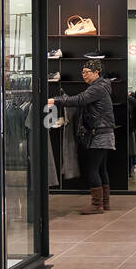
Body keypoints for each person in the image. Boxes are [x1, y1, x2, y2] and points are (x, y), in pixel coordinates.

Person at [48, 59, 115, 214]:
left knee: (92, 169)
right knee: (101, 168)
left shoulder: (97, 88)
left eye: (87, 72)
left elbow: (79, 100)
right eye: (83, 72)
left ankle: (97, 205)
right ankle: (105, 203)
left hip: (98, 133)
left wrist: (55, 101)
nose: (84, 75)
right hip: (103, 132)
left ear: (96, 73)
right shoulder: (100, 86)